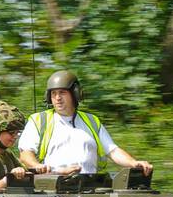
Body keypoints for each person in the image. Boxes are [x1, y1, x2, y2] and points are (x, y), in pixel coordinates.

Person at [17, 69, 153, 177]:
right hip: (53, 188)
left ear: (75, 94)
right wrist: (37, 166)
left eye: (62, 93)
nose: (57, 98)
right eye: (53, 94)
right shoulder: (39, 121)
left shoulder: (91, 121)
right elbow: (25, 154)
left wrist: (133, 163)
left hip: (90, 187)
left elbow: (113, 151)